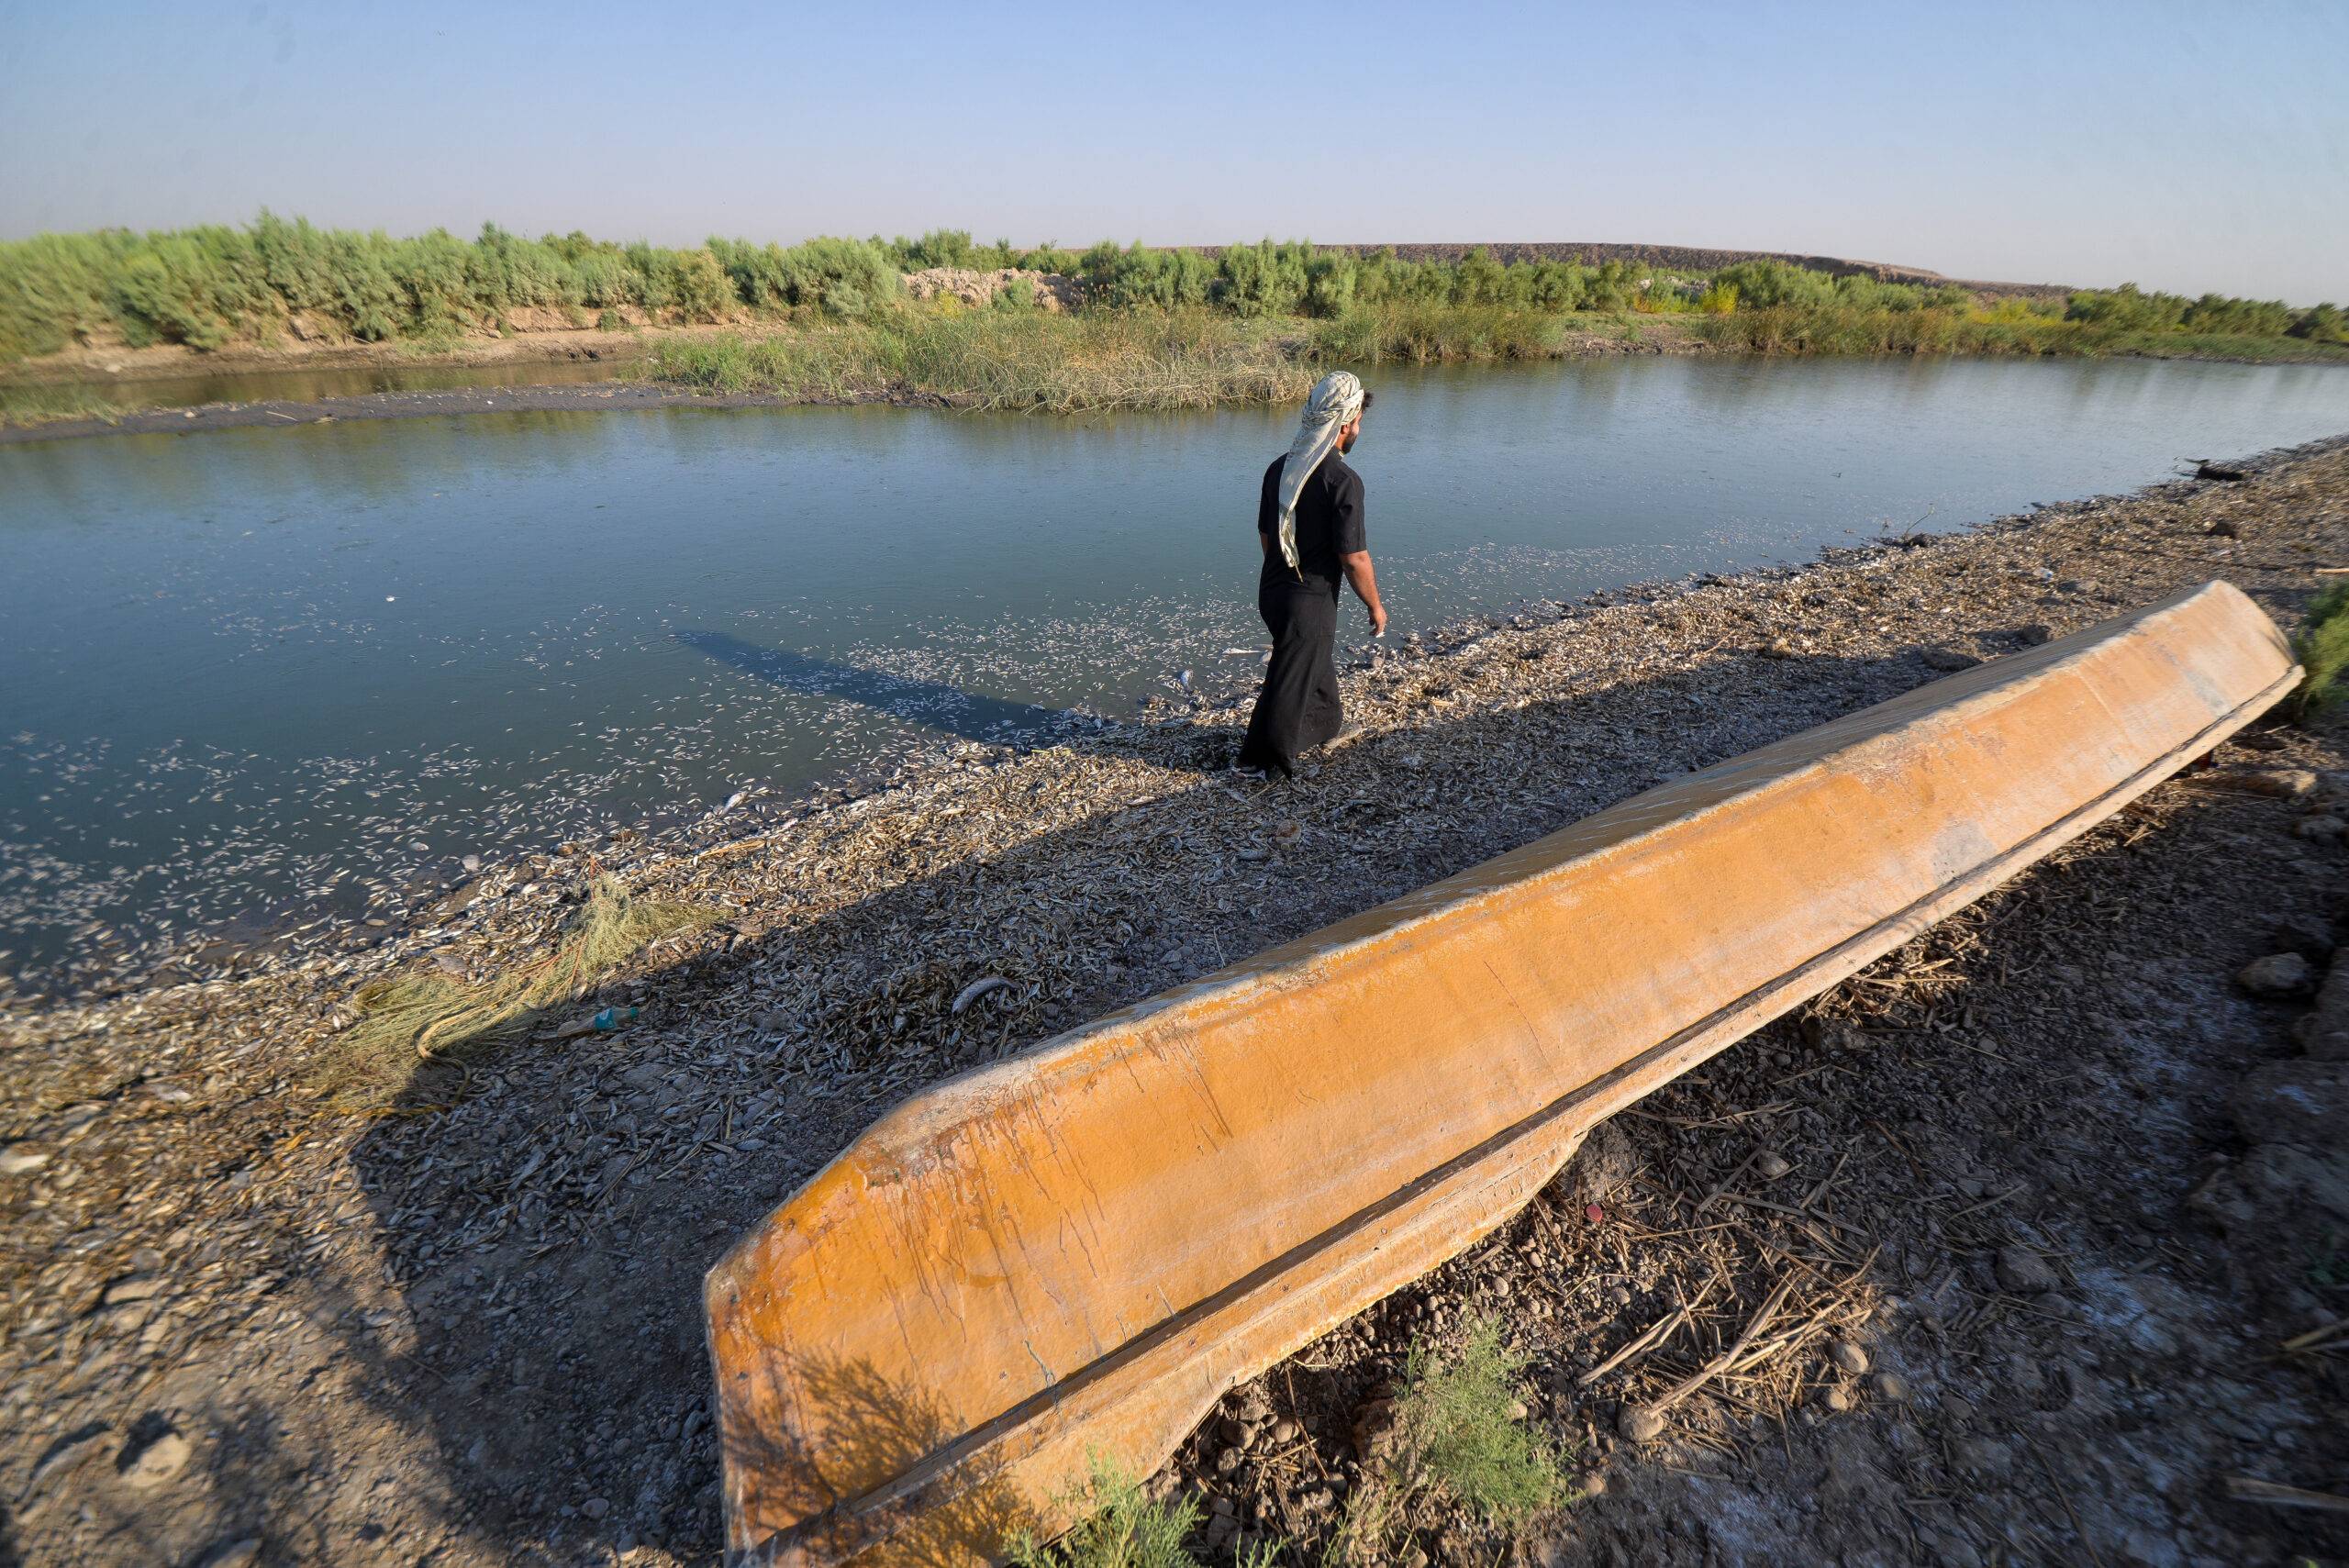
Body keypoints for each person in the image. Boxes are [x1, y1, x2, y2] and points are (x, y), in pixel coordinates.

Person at [1237, 372, 1386, 778]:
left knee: (1312, 663)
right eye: (1357, 423)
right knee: (1290, 677)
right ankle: (1263, 758)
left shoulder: (1280, 469)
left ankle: (1325, 723)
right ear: (1344, 423)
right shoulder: (1342, 481)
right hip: (1309, 599)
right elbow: (1354, 557)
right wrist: (1375, 605)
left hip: (1273, 589)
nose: (1358, 431)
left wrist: (1282, 577)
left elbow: (1268, 536)